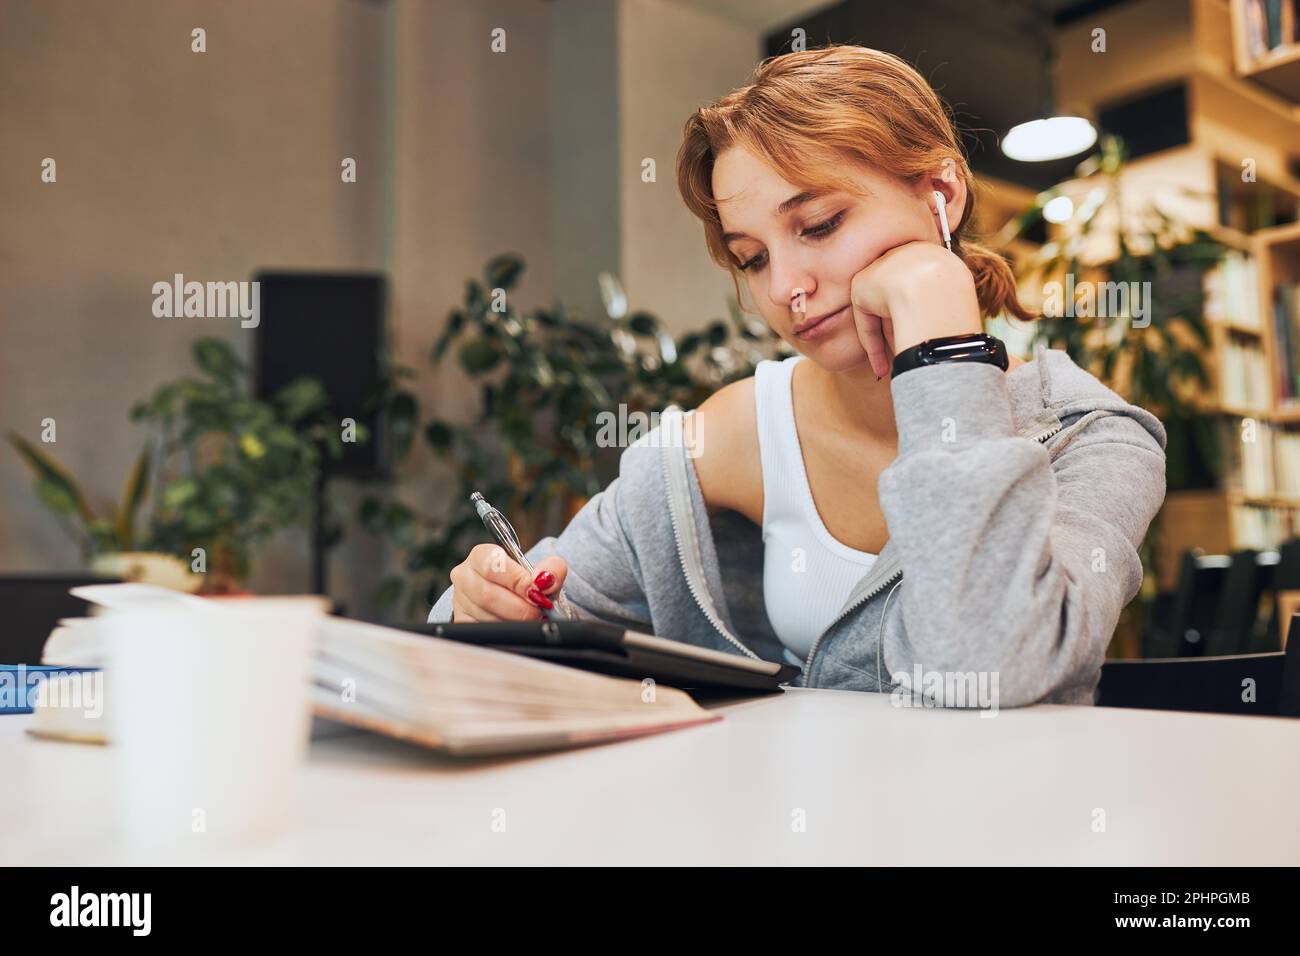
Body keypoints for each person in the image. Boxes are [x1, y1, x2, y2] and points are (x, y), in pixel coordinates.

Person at [429, 45, 1167, 707]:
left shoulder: (1094, 437)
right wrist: (485, 609)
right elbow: (503, 628)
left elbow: (986, 667)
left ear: (941, 192)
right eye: (751, 258)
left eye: (818, 226)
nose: (784, 286)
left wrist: (939, 337)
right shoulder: (731, 431)